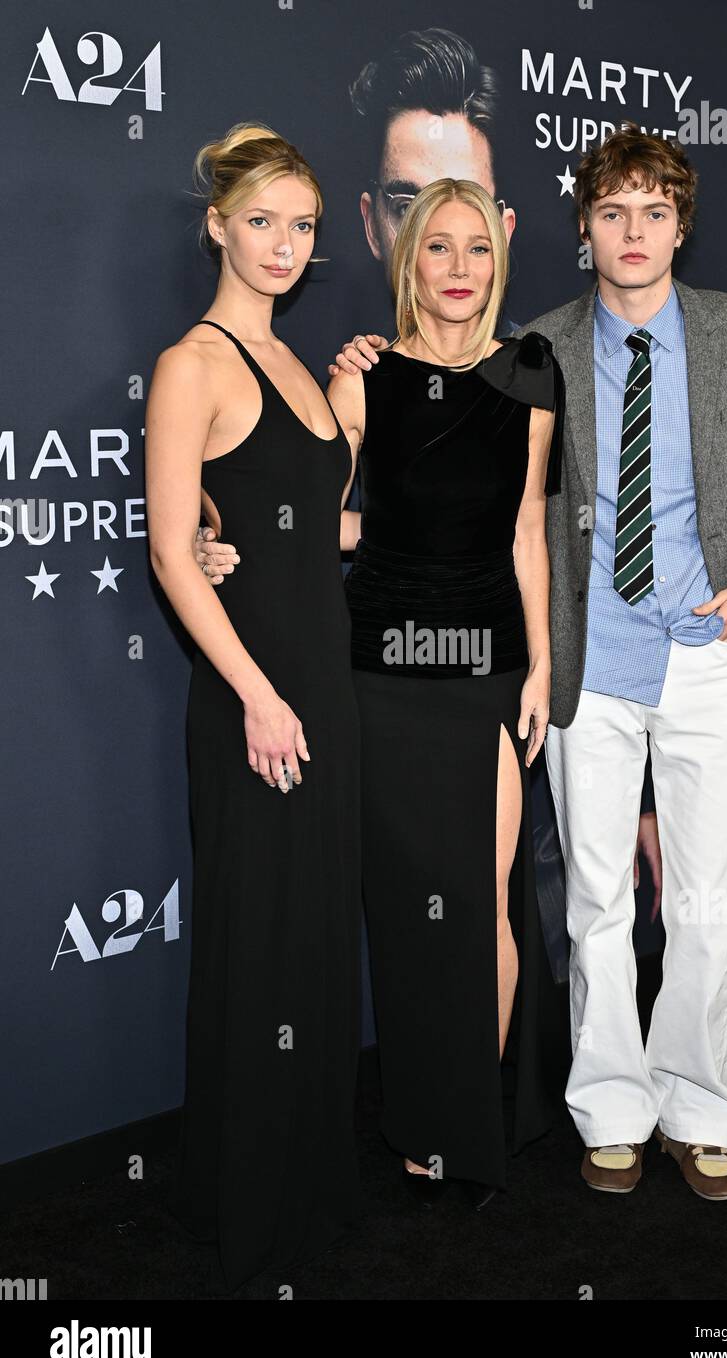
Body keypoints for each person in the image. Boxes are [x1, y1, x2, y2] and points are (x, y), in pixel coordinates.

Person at [329, 125, 727, 1201]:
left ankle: (697, 1105)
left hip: (704, 653)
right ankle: (609, 1108)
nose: (631, 232)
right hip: (587, 658)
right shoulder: (533, 351)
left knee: (705, 902)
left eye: (652, 212)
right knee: (591, 894)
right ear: (580, 230)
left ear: (679, 225)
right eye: (609, 213)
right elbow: (489, 510)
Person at [201, 177, 570, 1208]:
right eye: (437, 250)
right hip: (384, 677)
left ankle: (466, 1109)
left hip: (486, 670)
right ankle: (426, 1125)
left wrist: (538, 665)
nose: (459, 269)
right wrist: (203, 536)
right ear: (408, 262)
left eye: (476, 251)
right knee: (413, 918)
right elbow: (306, 515)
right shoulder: (362, 381)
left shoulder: (530, 373)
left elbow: (525, 536)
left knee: (485, 909)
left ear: (498, 261)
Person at [145, 122, 361, 1290]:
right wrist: (258, 698)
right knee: (258, 949)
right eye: (263, 220)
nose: (284, 244)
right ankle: (242, 1202)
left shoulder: (300, 365)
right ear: (217, 225)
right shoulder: (193, 363)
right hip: (253, 698)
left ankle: (310, 1183)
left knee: (316, 944)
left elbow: (305, 527)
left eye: (303, 226)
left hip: (321, 683)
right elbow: (175, 555)